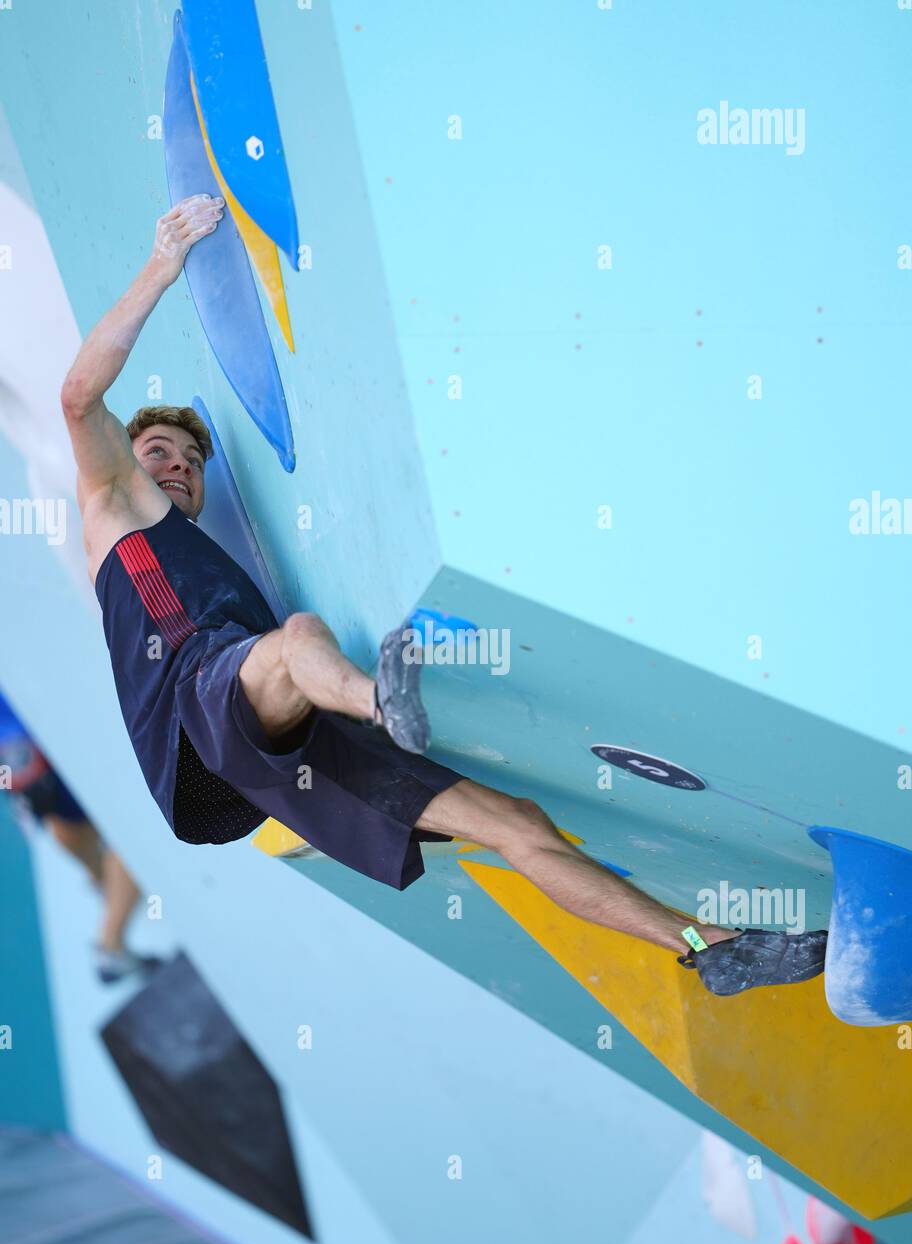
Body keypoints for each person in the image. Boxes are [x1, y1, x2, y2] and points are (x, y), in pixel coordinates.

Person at [59, 195, 827, 997]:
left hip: (263, 763)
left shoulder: (213, 573)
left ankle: (713, 947)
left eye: (190, 458)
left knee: (519, 825)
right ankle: (383, 704)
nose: (178, 465)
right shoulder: (114, 510)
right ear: (122, 458)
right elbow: (78, 397)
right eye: (159, 450)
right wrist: (162, 263)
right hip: (197, 731)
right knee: (296, 637)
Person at [0, 689, 155, 983]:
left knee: (60, 810)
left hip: (33, 746)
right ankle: (110, 944)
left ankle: (103, 883)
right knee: (135, 831)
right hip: (39, 743)